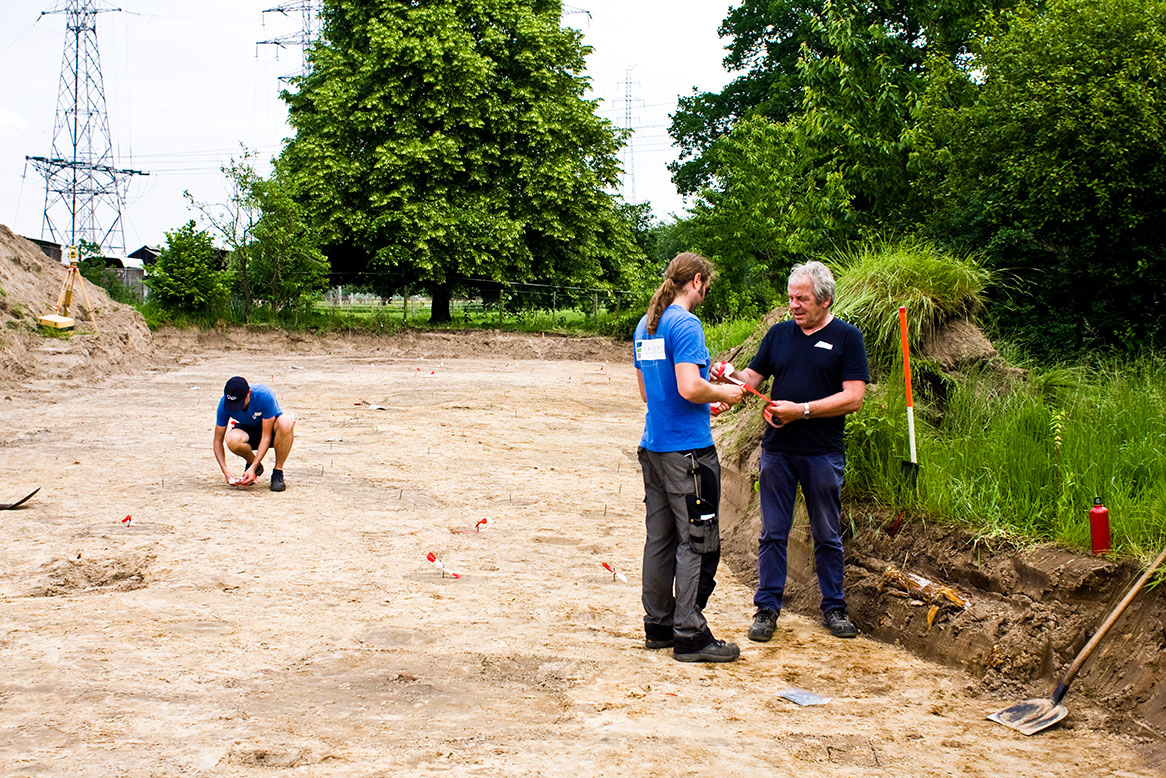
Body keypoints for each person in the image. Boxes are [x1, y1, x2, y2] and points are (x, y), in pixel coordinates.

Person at [717, 261, 869, 641]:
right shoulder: (778, 335)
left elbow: (853, 397)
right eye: (791, 299)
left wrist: (800, 412)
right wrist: (727, 380)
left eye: (802, 299)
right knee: (772, 533)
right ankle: (767, 609)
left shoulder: (848, 338)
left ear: (825, 300)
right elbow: (750, 380)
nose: (794, 306)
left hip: (822, 453)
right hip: (778, 452)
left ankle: (835, 608)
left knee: (827, 534)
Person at [633, 253, 746, 663]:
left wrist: (705, 388)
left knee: (660, 540)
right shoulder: (687, 324)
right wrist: (724, 393)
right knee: (698, 542)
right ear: (697, 281)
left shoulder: (646, 326)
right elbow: (688, 388)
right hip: (689, 454)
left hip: (655, 448)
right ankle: (690, 633)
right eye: (707, 286)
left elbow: (650, 393)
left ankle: (659, 626)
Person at [213, 376, 295, 492]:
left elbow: (266, 436)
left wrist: (253, 467)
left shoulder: (264, 395)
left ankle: (278, 472)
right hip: (249, 430)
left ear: (249, 393)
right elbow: (217, 441)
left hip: (272, 431)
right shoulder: (224, 404)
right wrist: (225, 471)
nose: (237, 407)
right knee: (232, 439)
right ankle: (253, 465)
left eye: (240, 402)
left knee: (286, 422)